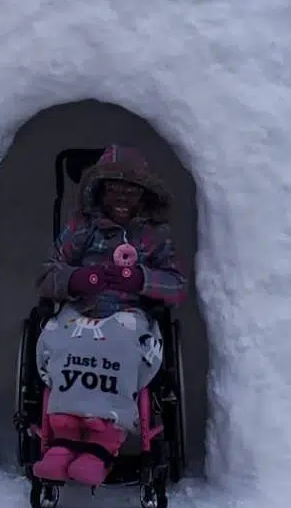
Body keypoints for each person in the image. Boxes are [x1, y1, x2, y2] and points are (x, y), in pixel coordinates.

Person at [33, 145, 186, 487]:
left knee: (117, 345)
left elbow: (177, 286)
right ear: (98, 192)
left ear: (144, 195)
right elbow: (46, 275)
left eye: (130, 191)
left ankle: (100, 446)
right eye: (113, 189)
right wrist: (77, 279)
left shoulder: (155, 235)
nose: (122, 197)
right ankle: (63, 438)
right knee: (64, 341)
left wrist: (142, 279)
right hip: (80, 310)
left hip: (130, 316)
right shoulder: (81, 229)